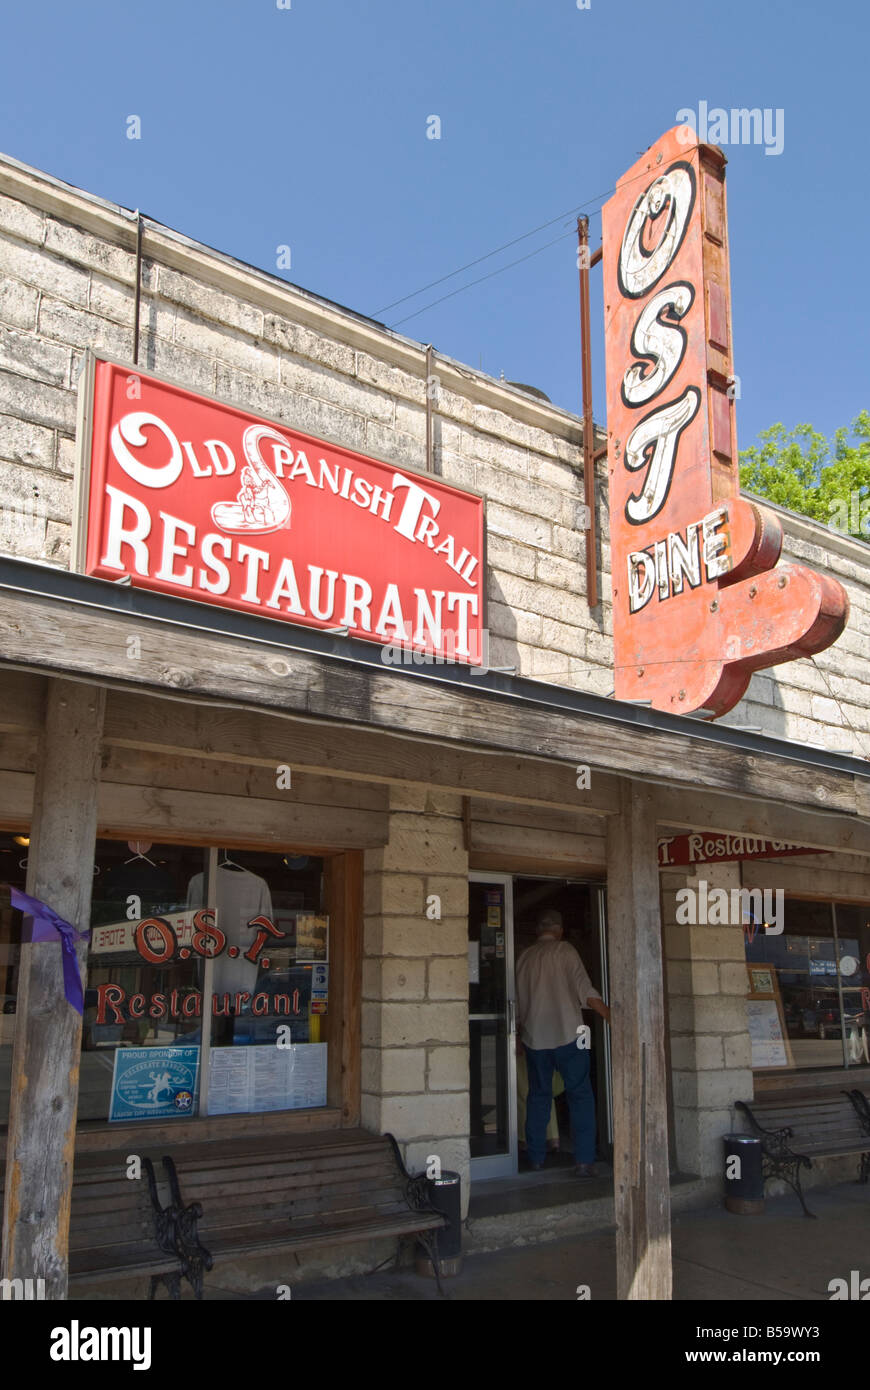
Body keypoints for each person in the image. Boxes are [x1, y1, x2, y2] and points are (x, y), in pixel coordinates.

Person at [515, 907, 612, 1179]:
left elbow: (518, 1003)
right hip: (573, 1035)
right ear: (559, 930)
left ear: (538, 930)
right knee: (580, 1095)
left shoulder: (524, 956)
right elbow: (585, 990)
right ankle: (584, 1161)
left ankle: (535, 1157)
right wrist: (610, 1016)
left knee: (538, 1096)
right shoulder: (566, 950)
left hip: (535, 1038)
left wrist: (517, 1036)